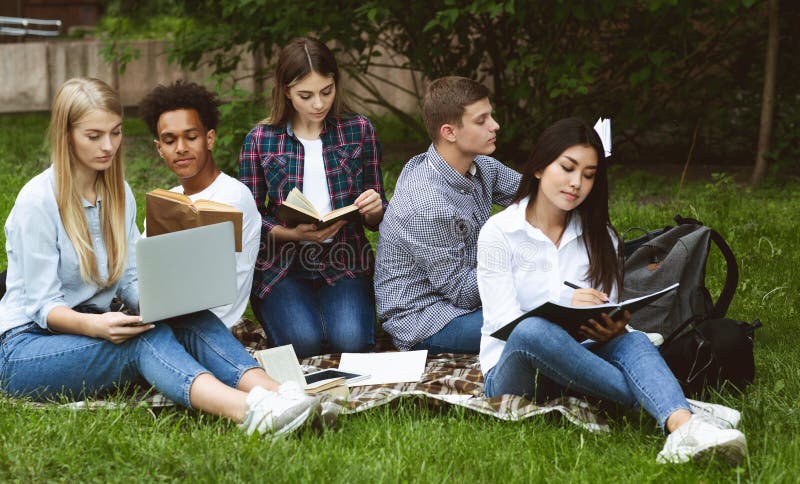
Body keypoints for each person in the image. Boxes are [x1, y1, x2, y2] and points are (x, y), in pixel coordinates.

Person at [0, 77, 321, 437]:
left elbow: (131, 278)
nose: (109, 146)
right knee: (141, 342)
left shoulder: (116, 191)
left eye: (116, 132)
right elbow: (44, 307)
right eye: (94, 136)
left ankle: (283, 395)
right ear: (67, 135)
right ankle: (250, 412)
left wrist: (168, 301)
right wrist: (97, 326)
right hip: (25, 347)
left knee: (187, 316)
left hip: (96, 324)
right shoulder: (37, 202)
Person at [476, 117, 747, 464]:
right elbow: (504, 323)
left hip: (582, 361)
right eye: (568, 168)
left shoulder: (600, 235)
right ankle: (681, 406)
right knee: (534, 331)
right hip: (514, 372)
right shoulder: (500, 232)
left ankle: (682, 427)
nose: (577, 183)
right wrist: (564, 302)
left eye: (589, 175)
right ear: (540, 167)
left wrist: (611, 324)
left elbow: (610, 305)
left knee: (632, 339)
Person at [239, 37, 386, 358]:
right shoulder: (261, 140)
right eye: (306, 95)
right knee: (303, 344)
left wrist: (374, 209)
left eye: (326, 92)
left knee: (351, 343)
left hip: (344, 261)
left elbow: (378, 217)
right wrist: (289, 232)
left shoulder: (359, 130)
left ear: (336, 85)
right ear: (286, 91)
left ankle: (329, 315)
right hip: (283, 266)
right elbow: (247, 217)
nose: (318, 104)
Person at [374, 76, 521, 353]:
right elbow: (463, 294)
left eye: (491, 116)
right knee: (528, 328)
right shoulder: (428, 205)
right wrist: (518, 254)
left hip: (463, 294)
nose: (495, 126)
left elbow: (534, 195)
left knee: (545, 307)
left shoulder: (481, 167)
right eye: (482, 121)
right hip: (426, 317)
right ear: (449, 132)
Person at [138, 80, 260, 329]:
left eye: (191, 137)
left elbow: (203, 286)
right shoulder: (167, 200)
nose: (181, 148)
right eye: (170, 141)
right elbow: (140, 271)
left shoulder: (233, 196)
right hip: (167, 315)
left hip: (210, 325)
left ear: (210, 139)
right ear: (159, 149)